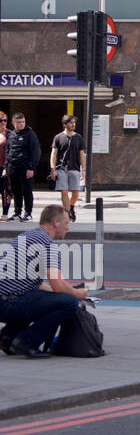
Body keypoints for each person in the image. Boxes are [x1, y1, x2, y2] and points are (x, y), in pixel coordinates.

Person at [0, 204, 89, 358]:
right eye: (67, 223)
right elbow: (57, 285)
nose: (68, 228)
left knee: (42, 299)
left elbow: (37, 285)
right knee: (68, 303)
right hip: (8, 302)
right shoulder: (47, 244)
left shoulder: (28, 236)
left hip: (5, 300)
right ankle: (26, 343)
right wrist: (77, 294)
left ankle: (7, 339)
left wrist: (65, 291)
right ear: (56, 223)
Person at [2, 113, 40, 223]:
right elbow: (8, 151)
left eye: (23, 122)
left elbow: (35, 152)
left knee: (26, 190)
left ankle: (28, 214)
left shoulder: (30, 134)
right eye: (19, 122)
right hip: (12, 168)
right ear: (13, 123)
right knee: (15, 191)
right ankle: (17, 213)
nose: (21, 124)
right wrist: (6, 167)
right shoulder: (11, 134)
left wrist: (31, 168)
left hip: (25, 167)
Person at [50, 115, 86, 223]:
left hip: (74, 168)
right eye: (70, 123)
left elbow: (82, 154)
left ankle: (71, 206)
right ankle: (67, 213)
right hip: (61, 169)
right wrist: (53, 169)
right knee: (64, 192)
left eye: (74, 123)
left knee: (75, 193)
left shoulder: (78, 138)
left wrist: (83, 169)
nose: (73, 125)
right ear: (65, 124)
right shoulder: (58, 137)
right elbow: (54, 153)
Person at [0, 111, 10, 220]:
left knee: (5, 191)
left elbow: (12, 152)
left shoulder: (10, 134)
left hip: (4, 167)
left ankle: (5, 213)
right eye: (0, 121)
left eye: (5, 120)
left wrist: (6, 167)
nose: (3, 123)